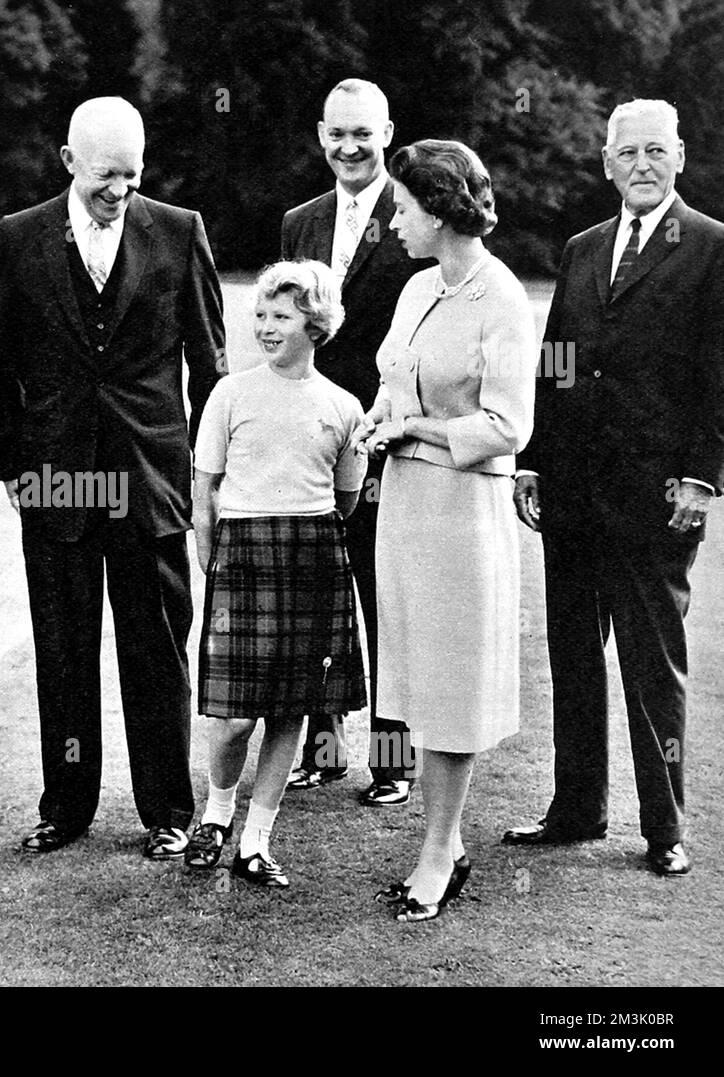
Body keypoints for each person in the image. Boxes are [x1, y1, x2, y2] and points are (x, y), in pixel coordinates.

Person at [0, 97, 225, 859]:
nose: (119, 190)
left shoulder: (180, 231)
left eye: (132, 174)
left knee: (157, 649)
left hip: (150, 478)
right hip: (56, 482)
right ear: (67, 162)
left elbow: (209, 365)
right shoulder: (20, 238)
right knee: (62, 649)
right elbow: (3, 363)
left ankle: (167, 811)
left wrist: (205, 471)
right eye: (102, 176)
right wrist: (17, 469)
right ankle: (65, 807)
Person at [505, 100, 724, 877]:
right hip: (572, 492)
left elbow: (716, 378)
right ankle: (575, 808)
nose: (642, 164)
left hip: (656, 497)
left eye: (656, 150)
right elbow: (558, 359)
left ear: (680, 157)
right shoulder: (583, 248)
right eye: (627, 151)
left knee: (651, 661)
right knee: (573, 655)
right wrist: (533, 459)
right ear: (605, 163)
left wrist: (701, 477)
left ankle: (664, 828)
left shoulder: (709, 247)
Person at [355, 140, 535, 921]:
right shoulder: (419, 287)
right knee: (417, 680)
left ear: (438, 210)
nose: (394, 221)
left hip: (462, 514)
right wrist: (378, 420)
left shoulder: (500, 299)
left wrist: (414, 431)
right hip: (406, 507)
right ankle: (443, 841)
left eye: (402, 207)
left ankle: (439, 849)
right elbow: (395, 383)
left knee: (451, 688)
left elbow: (506, 425)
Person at [189, 260, 366, 887]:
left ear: (314, 326)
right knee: (233, 715)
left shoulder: (344, 406)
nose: (266, 327)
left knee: (291, 709)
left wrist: (309, 530)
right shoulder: (230, 392)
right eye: (260, 315)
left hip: (314, 555)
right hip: (241, 553)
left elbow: (346, 497)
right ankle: (216, 814)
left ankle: (256, 841)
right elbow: (204, 484)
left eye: (281, 317)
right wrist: (212, 553)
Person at [280, 78, 433, 806]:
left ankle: (394, 760)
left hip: (389, 437)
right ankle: (321, 748)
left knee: (386, 600)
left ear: (388, 133)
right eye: (337, 134)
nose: (349, 147)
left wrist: (390, 416)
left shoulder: (413, 219)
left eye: (363, 134)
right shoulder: (299, 222)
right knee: (317, 595)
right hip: (314, 441)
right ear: (320, 135)